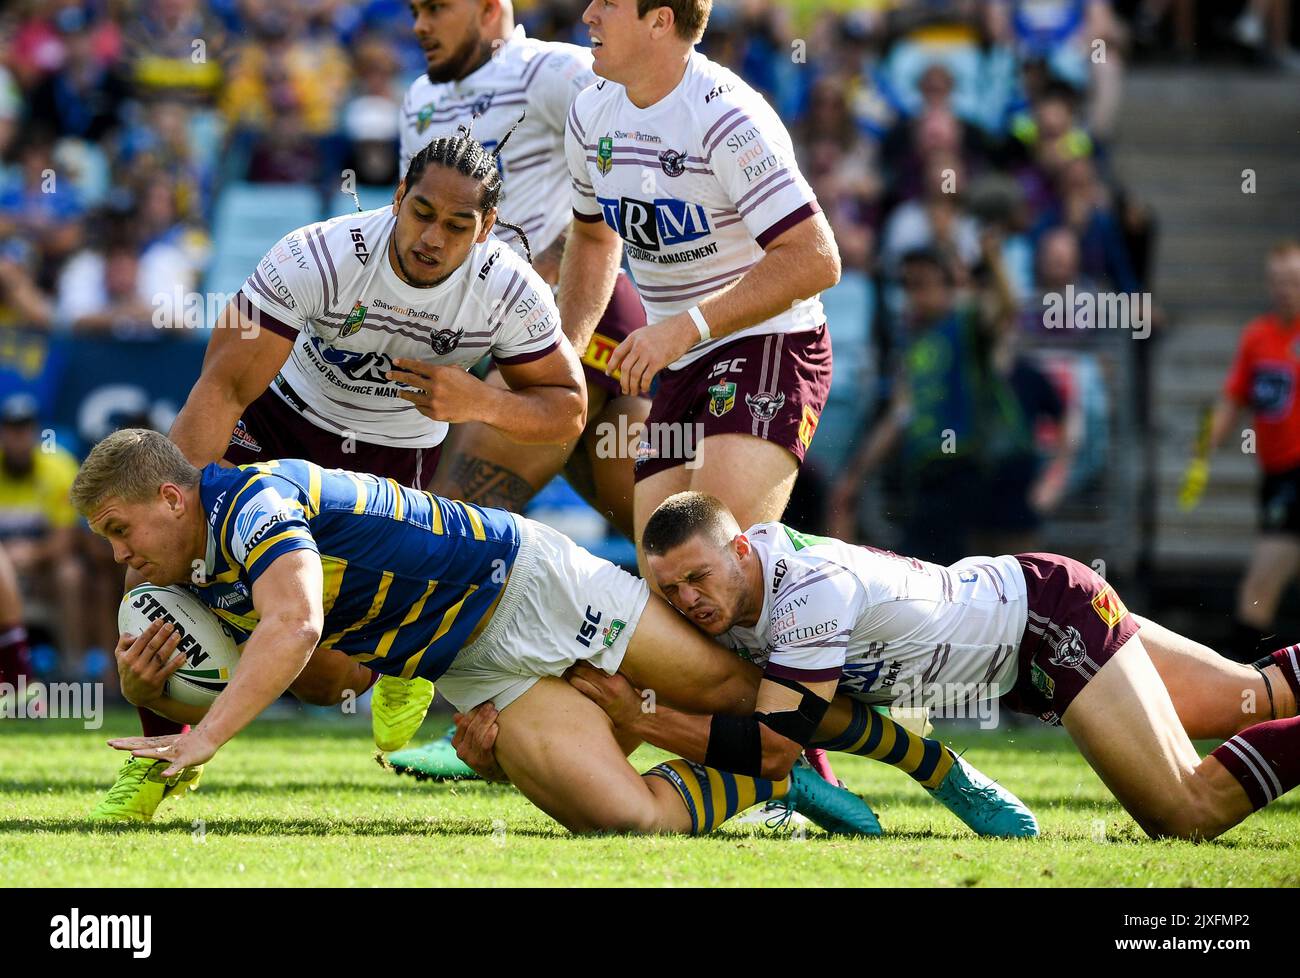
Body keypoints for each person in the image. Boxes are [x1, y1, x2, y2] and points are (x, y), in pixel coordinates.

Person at [89, 129, 587, 820]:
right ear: (396, 198)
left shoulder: (508, 288)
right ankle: (158, 765)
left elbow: (567, 409)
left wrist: (479, 400)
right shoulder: (315, 255)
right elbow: (222, 389)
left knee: (327, 682)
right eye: (420, 211)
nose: (431, 237)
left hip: (388, 465)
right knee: (152, 566)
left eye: (456, 224)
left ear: (488, 228)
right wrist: (177, 541)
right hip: (272, 424)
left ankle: (397, 663)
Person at [74, 429, 879, 837]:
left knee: (742, 694)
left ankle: (930, 765)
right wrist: (152, 690)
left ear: (173, 500)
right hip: (473, 668)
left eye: (119, 528)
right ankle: (765, 781)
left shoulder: (253, 504)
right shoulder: (193, 575)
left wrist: (206, 735)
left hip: (527, 581)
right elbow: (321, 678)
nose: (118, 555)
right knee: (624, 822)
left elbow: (297, 622)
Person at [551, 491, 1300, 841]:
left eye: (698, 579)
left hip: (1045, 625)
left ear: (742, 548)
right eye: (671, 590)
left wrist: (638, 718)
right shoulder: (738, 596)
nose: (688, 602)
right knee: (1251, 694)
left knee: (1184, 815)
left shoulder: (807, 594)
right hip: (1022, 621)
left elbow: (777, 746)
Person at [559, 0, 841, 781]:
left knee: (714, 570)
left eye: (606, 2)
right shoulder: (591, 108)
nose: (585, 13)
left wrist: (683, 325)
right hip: (680, 361)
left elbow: (817, 258)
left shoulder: (726, 117)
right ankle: (780, 764)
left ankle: (802, 761)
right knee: (669, 587)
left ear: (659, 19)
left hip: (769, 344)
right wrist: (564, 351)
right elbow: (592, 237)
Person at [390, 0, 653, 779]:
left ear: (492, 8)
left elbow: (610, 194)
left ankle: (448, 698)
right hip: (516, 346)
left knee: (461, 525)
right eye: (413, 9)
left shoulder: (555, 70)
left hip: (582, 329)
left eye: (437, 8)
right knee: (665, 550)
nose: (420, 24)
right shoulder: (419, 99)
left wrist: (550, 360)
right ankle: (779, 737)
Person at [1200, 241, 1300, 663]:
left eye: (1293, 281)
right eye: (1277, 281)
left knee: (1257, 592)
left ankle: (1245, 689)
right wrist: (1206, 445)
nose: (1284, 289)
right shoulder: (1258, 335)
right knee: (1261, 590)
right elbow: (1233, 397)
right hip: (1274, 477)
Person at [0, 393, 90, 676]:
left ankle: (74, 667)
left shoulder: (58, 467)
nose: (18, 439)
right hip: (2, 569)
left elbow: (67, 537)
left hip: (43, 569)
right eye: (12, 430)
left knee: (70, 573)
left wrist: (32, 555)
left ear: (36, 433)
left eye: (24, 430)